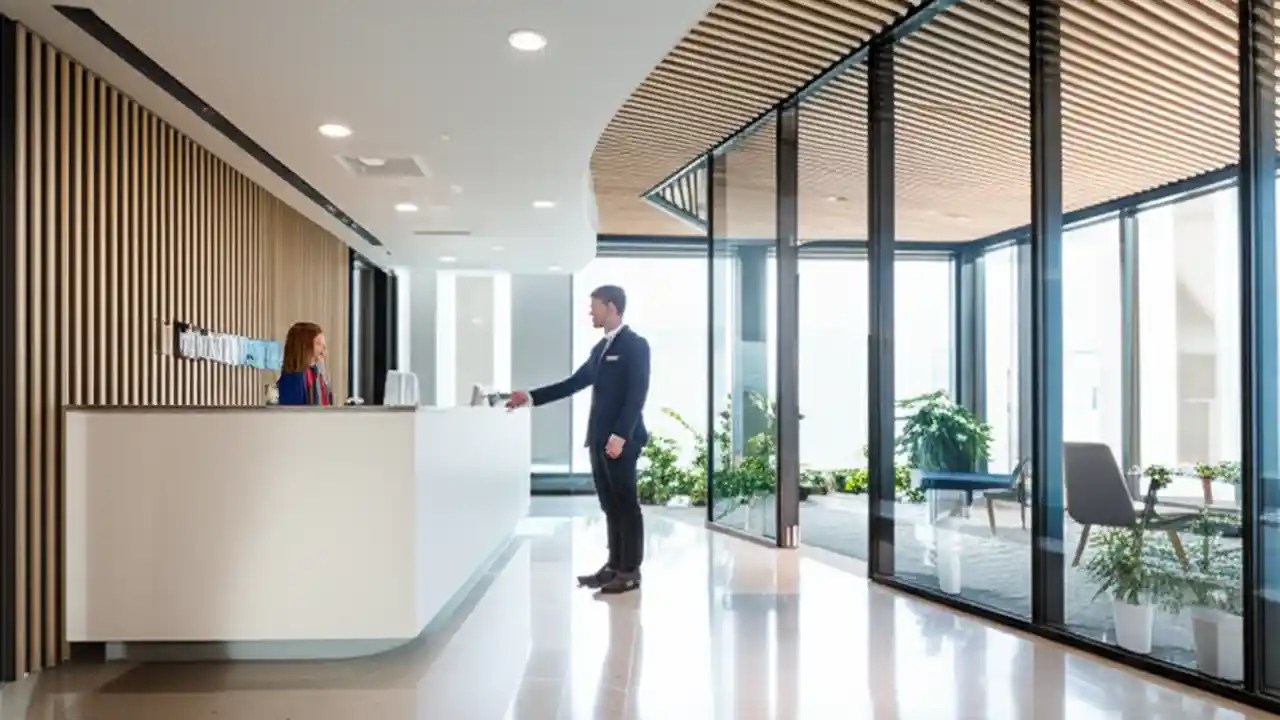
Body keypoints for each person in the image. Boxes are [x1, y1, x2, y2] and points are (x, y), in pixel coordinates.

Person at [507, 285, 650, 594]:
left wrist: (620, 436)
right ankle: (614, 565)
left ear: (611, 307)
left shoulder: (636, 345)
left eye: (594, 306)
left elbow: (636, 395)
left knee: (627, 505)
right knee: (610, 505)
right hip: (598, 440)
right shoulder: (600, 350)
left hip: (620, 440)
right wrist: (529, 397)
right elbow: (573, 383)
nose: (591, 312)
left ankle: (630, 571)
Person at [276, 322, 333, 406]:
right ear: (304, 347)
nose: (323, 348)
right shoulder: (292, 381)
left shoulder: (317, 374)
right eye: (318, 344)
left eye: (323, 344)